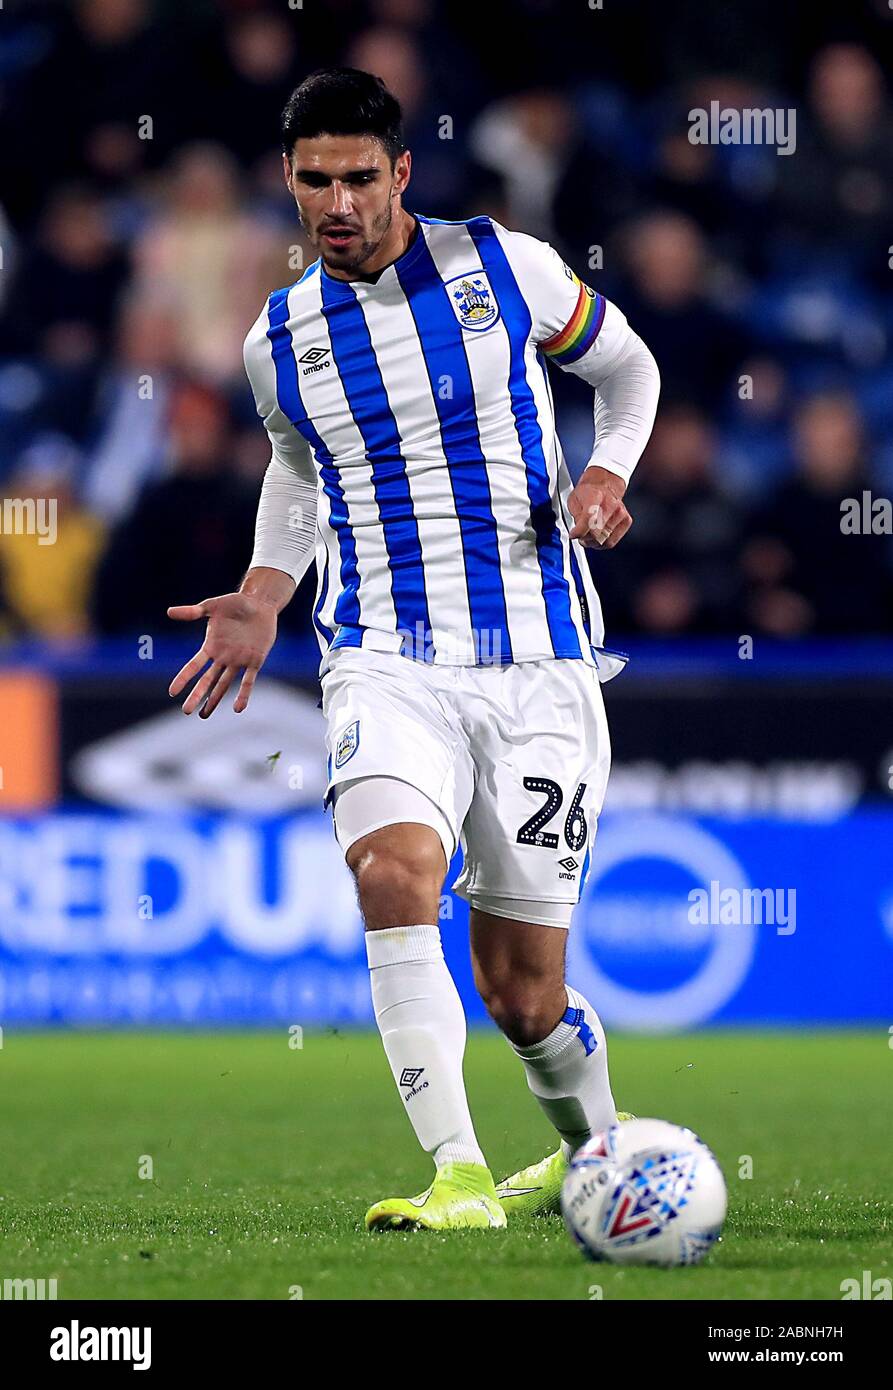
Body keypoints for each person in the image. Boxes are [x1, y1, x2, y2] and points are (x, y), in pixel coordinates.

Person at [167, 67, 660, 1232]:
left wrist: (604, 469)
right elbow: (298, 467)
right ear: (287, 183)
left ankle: (594, 1148)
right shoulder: (278, 337)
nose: (335, 202)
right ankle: (458, 1174)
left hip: (539, 660)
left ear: (400, 173)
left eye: (356, 177)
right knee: (389, 873)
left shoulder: (508, 267)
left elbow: (625, 370)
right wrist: (262, 591)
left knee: (521, 990)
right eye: (311, 180)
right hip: (381, 653)